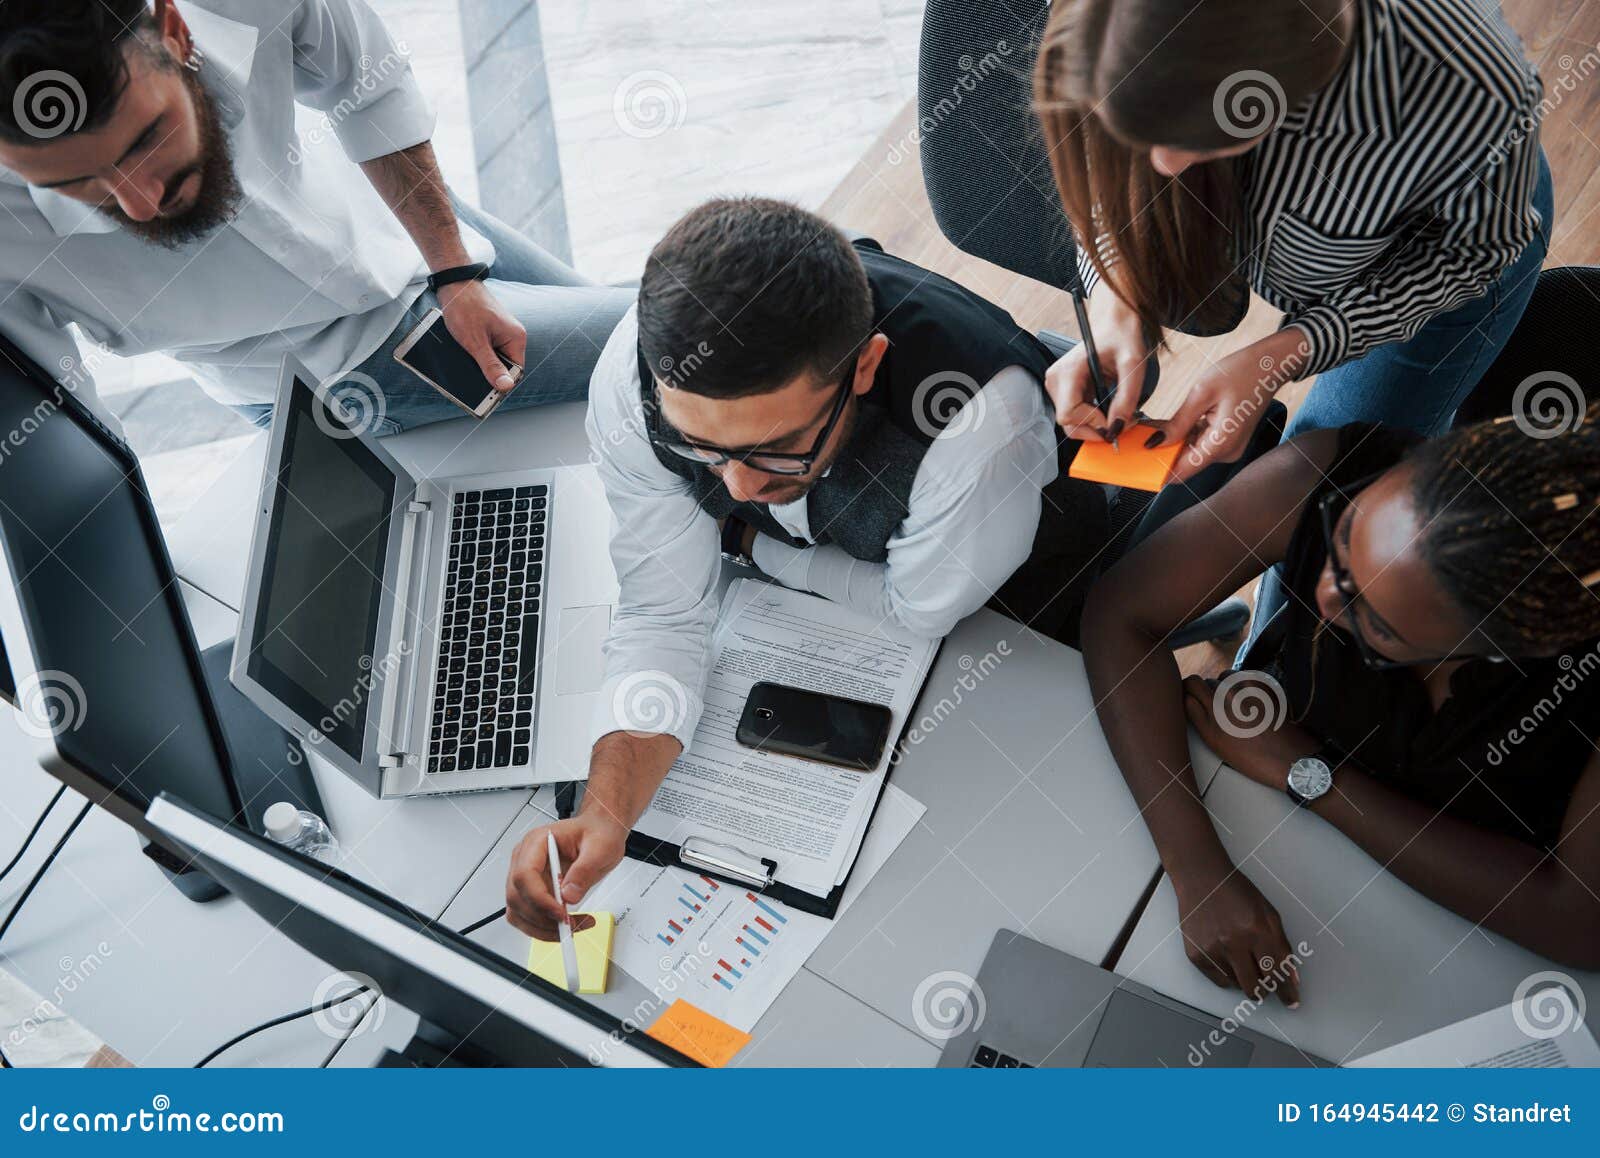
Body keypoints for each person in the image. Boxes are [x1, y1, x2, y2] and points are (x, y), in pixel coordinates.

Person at [503, 197, 1116, 938]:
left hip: (1023, 582)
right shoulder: (638, 379)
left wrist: (751, 547)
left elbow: (917, 610)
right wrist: (607, 811)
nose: (736, 488)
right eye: (701, 448)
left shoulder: (982, 432)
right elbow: (663, 614)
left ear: (866, 367)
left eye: (777, 449)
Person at [1081, 409, 1600, 1001]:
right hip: (1256, 828)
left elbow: (1579, 923)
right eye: (1344, 534)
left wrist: (1315, 777)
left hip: (1460, 963)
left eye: (1373, 624)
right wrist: (1197, 867)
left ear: (1505, 647)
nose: (1324, 594)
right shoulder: (1320, 475)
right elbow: (1122, 610)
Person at [0, 0, 631, 434]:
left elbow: (370, 84)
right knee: (681, 344)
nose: (140, 202)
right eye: (75, 184)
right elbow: (67, 430)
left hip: (392, 221)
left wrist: (454, 270)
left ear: (175, 31)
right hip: (332, 370)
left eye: (145, 141)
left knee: (672, 342)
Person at [1031, 0, 1552, 471]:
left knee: (1334, 481)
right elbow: (1107, 172)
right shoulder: (1112, 27)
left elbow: (1471, 254)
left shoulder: (1473, 86)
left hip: (1444, 255)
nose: (1163, 165)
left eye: (1191, 136)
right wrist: (1115, 296)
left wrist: (1285, 353)